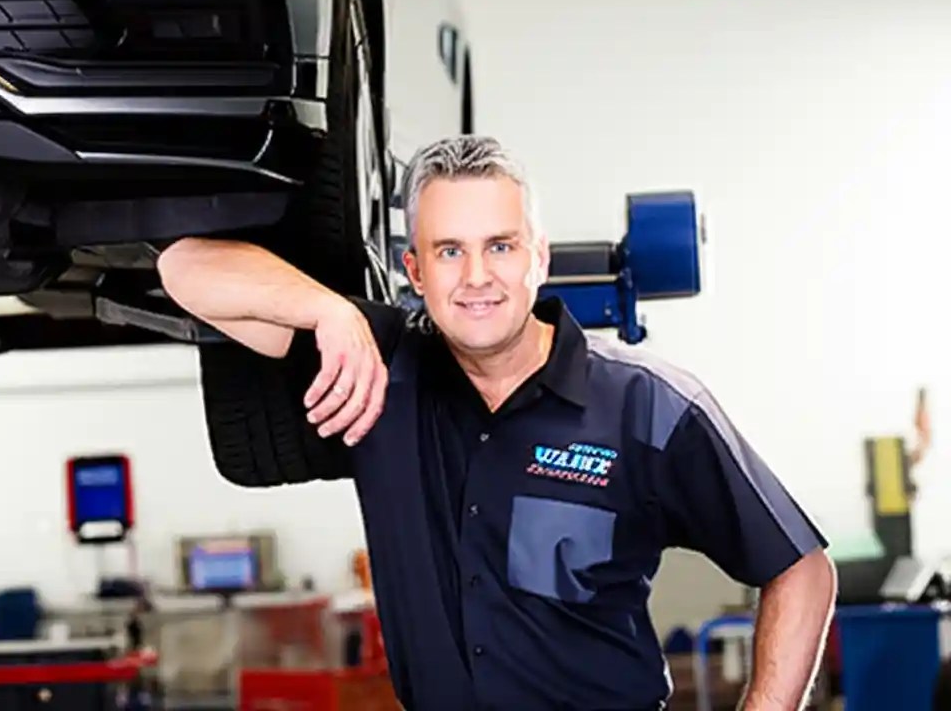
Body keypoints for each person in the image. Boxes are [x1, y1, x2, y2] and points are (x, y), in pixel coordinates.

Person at [156, 135, 837, 710]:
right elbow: (184, 267)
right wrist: (327, 311)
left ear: (539, 258)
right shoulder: (378, 370)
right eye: (449, 251)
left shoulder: (646, 407)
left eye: (501, 247)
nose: (477, 276)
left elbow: (800, 568)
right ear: (414, 271)